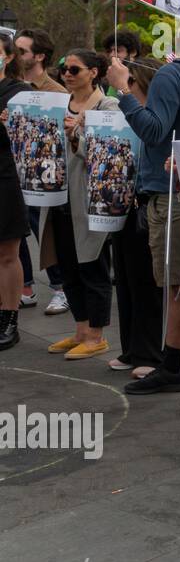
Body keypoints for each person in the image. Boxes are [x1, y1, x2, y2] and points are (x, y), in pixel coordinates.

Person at [105, 15, 180, 415]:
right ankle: (173, 365)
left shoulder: (172, 75)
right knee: (176, 287)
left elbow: (154, 132)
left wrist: (123, 92)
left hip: (173, 192)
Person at [42, 50, 120, 361]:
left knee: (93, 266)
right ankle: (80, 330)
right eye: (63, 68)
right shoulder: (59, 103)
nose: (67, 73)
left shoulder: (107, 105)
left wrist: (77, 135)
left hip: (91, 201)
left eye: (75, 68)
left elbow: (112, 154)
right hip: (58, 197)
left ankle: (97, 336)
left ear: (94, 72)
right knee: (68, 268)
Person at [102, 35, 164, 379]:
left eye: (133, 84)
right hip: (120, 204)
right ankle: (131, 347)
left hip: (145, 205)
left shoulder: (151, 117)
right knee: (124, 281)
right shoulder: (129, 114)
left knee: (145, 283)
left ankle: (151, 352)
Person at [10, 27, 69, 315]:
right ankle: (26, 287)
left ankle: (61, 288)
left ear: (40, 56)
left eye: (22, 51)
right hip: (12, 171)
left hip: (44, 174)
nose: (16, 55)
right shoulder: (9, 86)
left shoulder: (57, 92)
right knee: (14, 232)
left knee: (42, 231)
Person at [0, 36, 30, 350]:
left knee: (7, 252)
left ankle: (9, 318)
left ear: (8, 57)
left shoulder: (19, 93)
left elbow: (36, 134)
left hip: (6, 179)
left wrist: (14, 125)